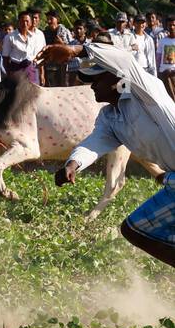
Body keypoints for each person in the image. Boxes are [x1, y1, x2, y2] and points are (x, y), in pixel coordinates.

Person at [42, 38, 175, 272]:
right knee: (135, 231)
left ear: (115, 79)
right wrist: (73, 164)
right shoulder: (109, 117)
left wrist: (74, 51)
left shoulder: (145, 93)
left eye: (95, 79)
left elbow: (123, 58)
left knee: (134, 230)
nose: (91, 86)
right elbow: (94, 143)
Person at [1, 8, 46, 83]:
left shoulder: (35, 37)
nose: (24, 24)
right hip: (16, 70)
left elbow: (41, 56)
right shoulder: (9, 37)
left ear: (31, 23)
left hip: (31, 70)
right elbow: (5, 58)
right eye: (22, 21)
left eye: (27, 21)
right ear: (18, 22)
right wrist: (9, 74)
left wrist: (42, 74)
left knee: (33, 93)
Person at [41, 10, 71, 86]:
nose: (49, 21)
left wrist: (61, 42)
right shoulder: (45, 32)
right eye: (48, 19)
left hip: (62, 65)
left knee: (62, 86)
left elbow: (70, 48)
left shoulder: (64, 31)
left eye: (51, 19)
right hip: (50, 65)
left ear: (57, 19)